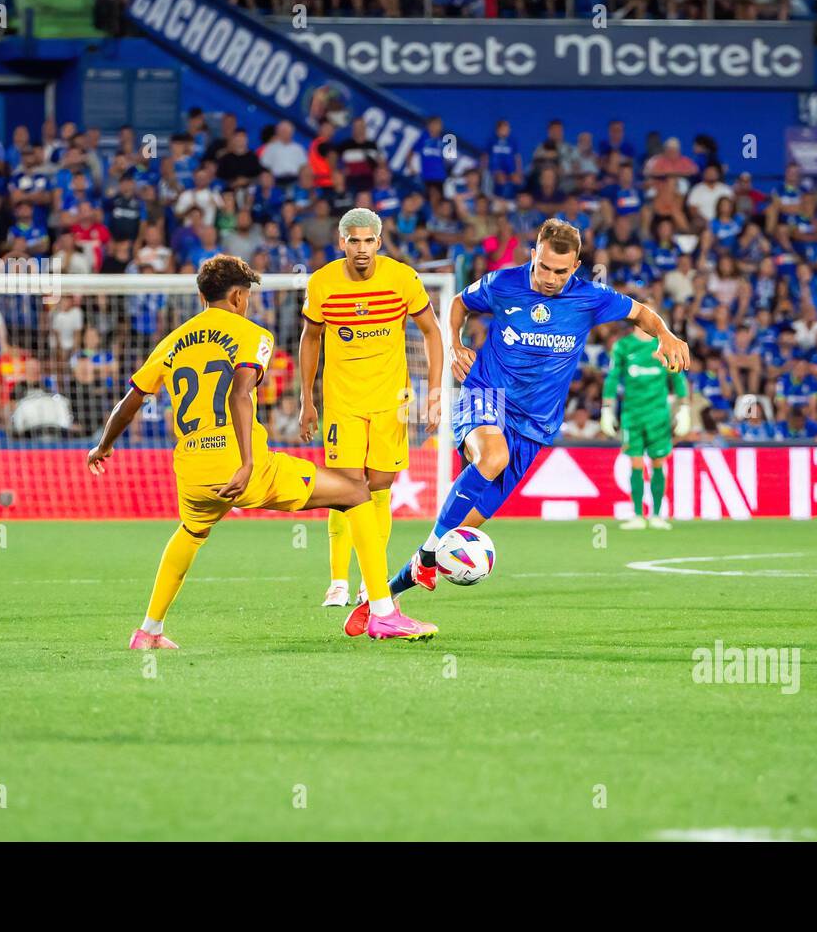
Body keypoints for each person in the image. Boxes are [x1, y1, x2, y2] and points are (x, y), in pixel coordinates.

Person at [87, 255, 436, 647]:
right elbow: (239, 393)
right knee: (357, 493)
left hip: (193, 474)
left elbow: (131, 400)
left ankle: (149, 630)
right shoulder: (253, 335)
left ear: (203, 296)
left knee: (190, 532)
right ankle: (384, 613)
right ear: (237, 296)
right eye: (247, 295)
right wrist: (247, 462)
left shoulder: (172, 342)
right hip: (248, 469)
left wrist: (103, 446)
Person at [386, 218, 690, 599]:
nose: (549, 277)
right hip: (487, 394)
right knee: (492, 456)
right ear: (534, 255)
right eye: (543, 266)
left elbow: (641, 312)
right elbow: (459, 303)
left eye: (560, 271)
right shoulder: (503, 284)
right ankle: (429, 555)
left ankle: (383, 594)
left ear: (575, 267)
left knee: (461, 530)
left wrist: (666, 334)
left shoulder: (590, 297)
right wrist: (455, 344)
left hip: (534, 426)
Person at [296, 209, 445, 619]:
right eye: (353, 240)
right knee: (344, 491)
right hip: (342, 402)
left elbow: (432, 331)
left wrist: (434, 393)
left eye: (368, 241)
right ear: (341, 242)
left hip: (390, 403)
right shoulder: (322, 282)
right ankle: (338, 581)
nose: (361, 249)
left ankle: (371, 582)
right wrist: (306, 399)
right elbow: (310, 339)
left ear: (379, 242)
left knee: (379, 490)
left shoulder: (402, 278)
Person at [600, 294, 690, 530]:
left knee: (659, 462)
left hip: (658, 415)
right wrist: (607, 409)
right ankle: (638, 514)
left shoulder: (664, 345)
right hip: (632, 414)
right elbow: (611, 379)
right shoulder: (623, 346)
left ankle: (658, 514)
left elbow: (678, 378)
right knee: (636, 463)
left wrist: (684, 409)